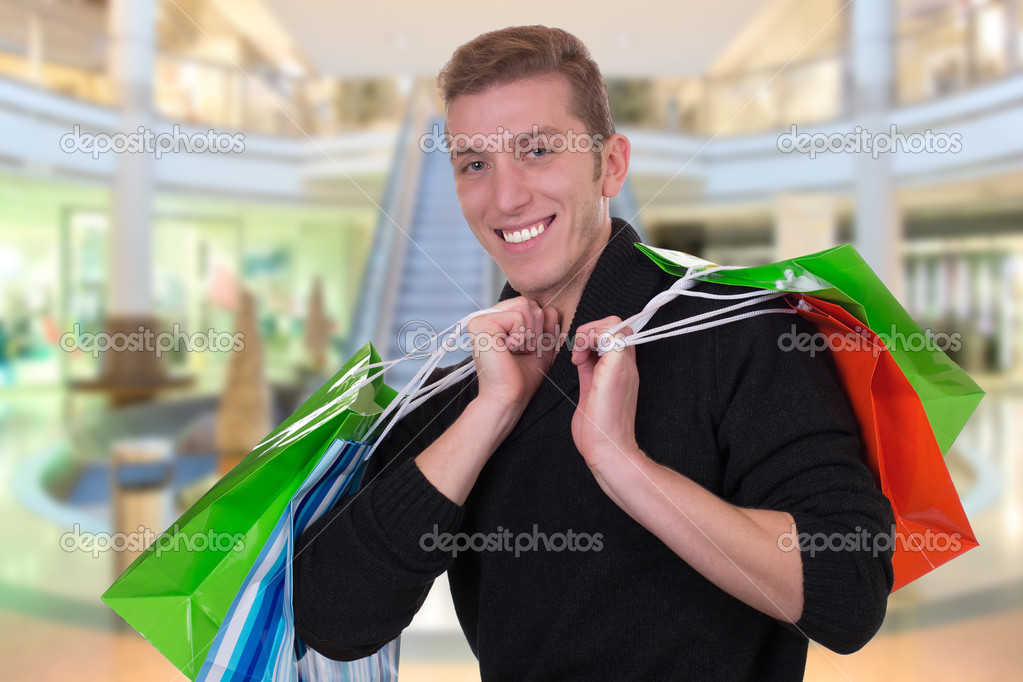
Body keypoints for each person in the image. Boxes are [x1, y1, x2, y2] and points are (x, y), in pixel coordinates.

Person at [294, 25, 894, 680]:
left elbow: (847, 593)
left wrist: (623, 464)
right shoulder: (462, 392)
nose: (505, 196)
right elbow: (332, 620)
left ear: (609, 164)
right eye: (473, 164)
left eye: (537, 151)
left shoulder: (739, 330)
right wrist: (492, 410)